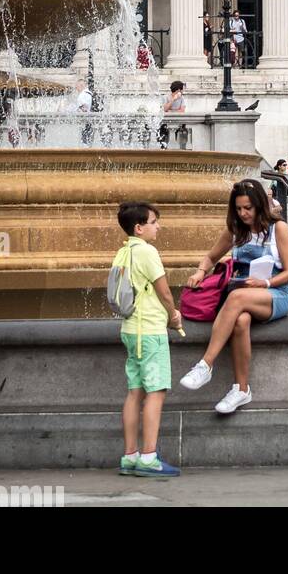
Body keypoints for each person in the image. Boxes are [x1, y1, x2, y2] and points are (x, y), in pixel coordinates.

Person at [179, 179, 288, 413]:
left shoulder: (278, 228)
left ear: (260, 206)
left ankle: (206, 364)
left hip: (276, 294)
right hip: (245, 295)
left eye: (248, 208)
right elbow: (211, 257)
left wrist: (265, 282)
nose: (243, 213)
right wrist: (201, 271)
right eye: (238, 208)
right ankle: (241, 390)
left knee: (236, 298)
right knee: (241, 321)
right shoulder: (235, 230)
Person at [110, 201, 183, 477]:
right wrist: (173, 314)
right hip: (150, 331)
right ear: (139, 228)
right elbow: (163, 291)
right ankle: (149, 457)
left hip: (130, 329)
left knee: (134, 392)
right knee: (156, 391)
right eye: (153, 222)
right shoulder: (147, 251)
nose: (158, 226)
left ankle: (129, 456)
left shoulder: (122, 252)